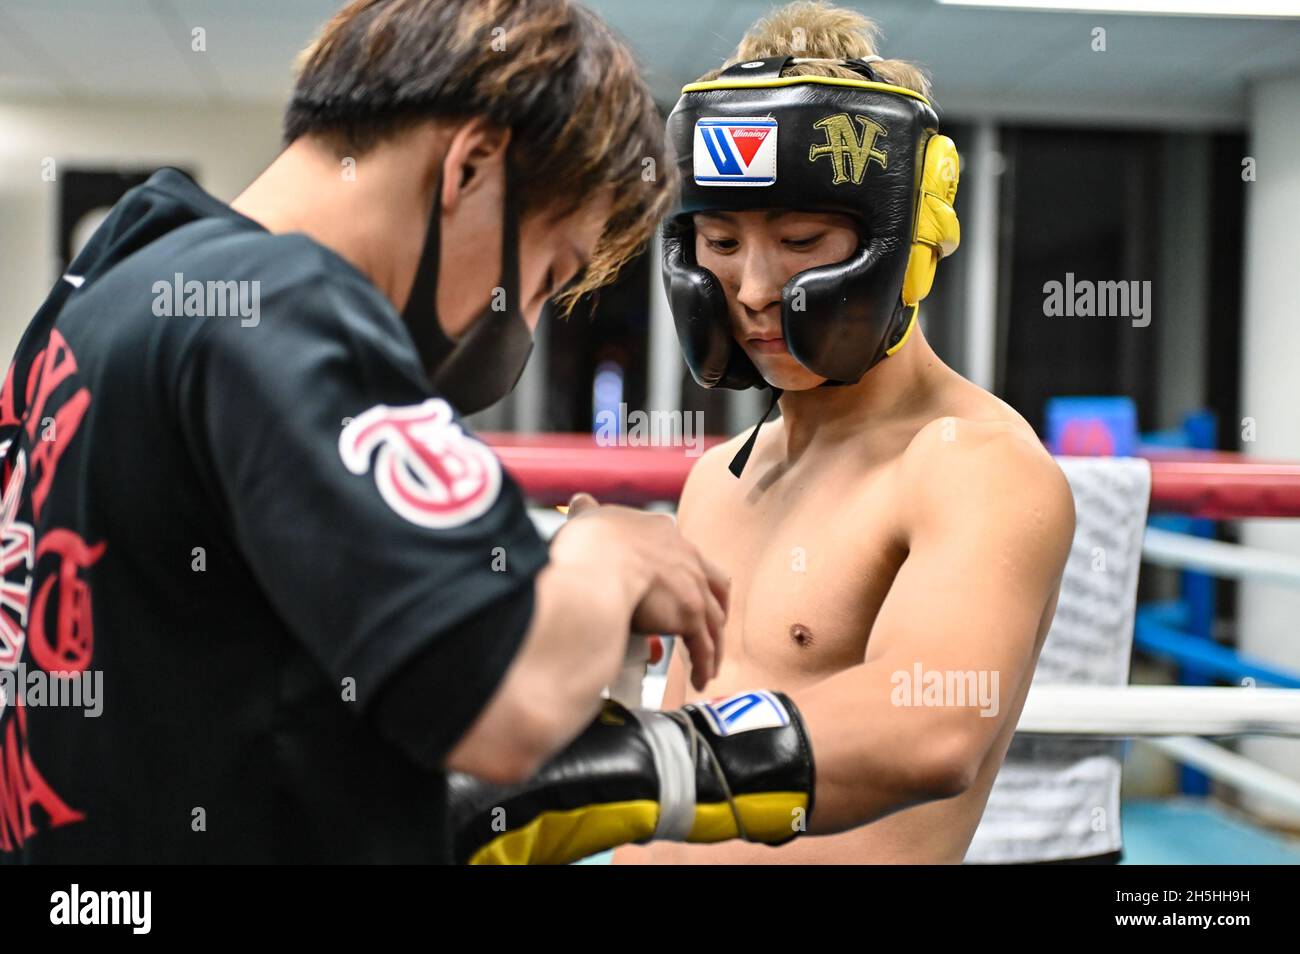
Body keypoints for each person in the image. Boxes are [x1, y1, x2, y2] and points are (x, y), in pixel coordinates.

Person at [0, 0, 728, 863]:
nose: (522, 322)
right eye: (544, 273)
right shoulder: (288, 305)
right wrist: (608, 553)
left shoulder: (107, 286)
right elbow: (509, 699)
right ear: (473, 166)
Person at [451, 1, 1074, 866]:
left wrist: (626, 769)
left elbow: (932, 724)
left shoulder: (971, 465)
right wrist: (602, 641)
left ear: (907, 240)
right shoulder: (718, 478)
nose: (750, 288)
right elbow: (676, 752)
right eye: (719, 241)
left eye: (802, 239)